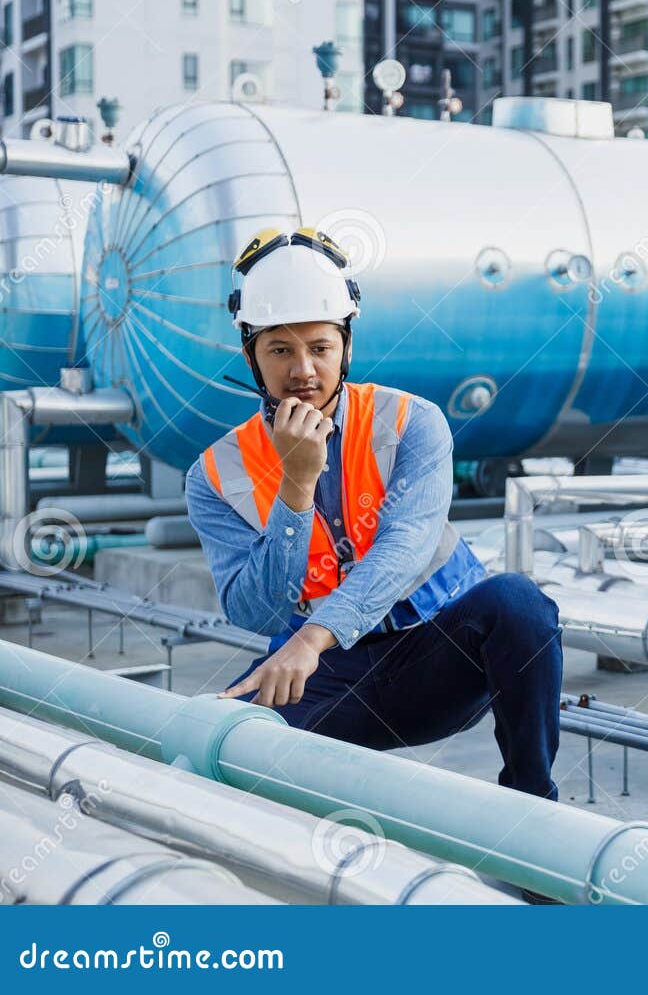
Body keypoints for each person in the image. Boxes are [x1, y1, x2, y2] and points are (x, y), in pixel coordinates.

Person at [185, 227, 563, 800]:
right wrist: (297, 486)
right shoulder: (215, 473)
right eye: (280, 350)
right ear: (251, 357)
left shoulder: (413, 422)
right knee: (219, 740)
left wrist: (313, 638)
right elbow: (255, 613)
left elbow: (404, 546)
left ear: (347, 347)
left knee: (518, 603)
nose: (303, 371)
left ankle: (534, 806)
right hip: (330, 677)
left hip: (437, 653)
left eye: (319, 347)